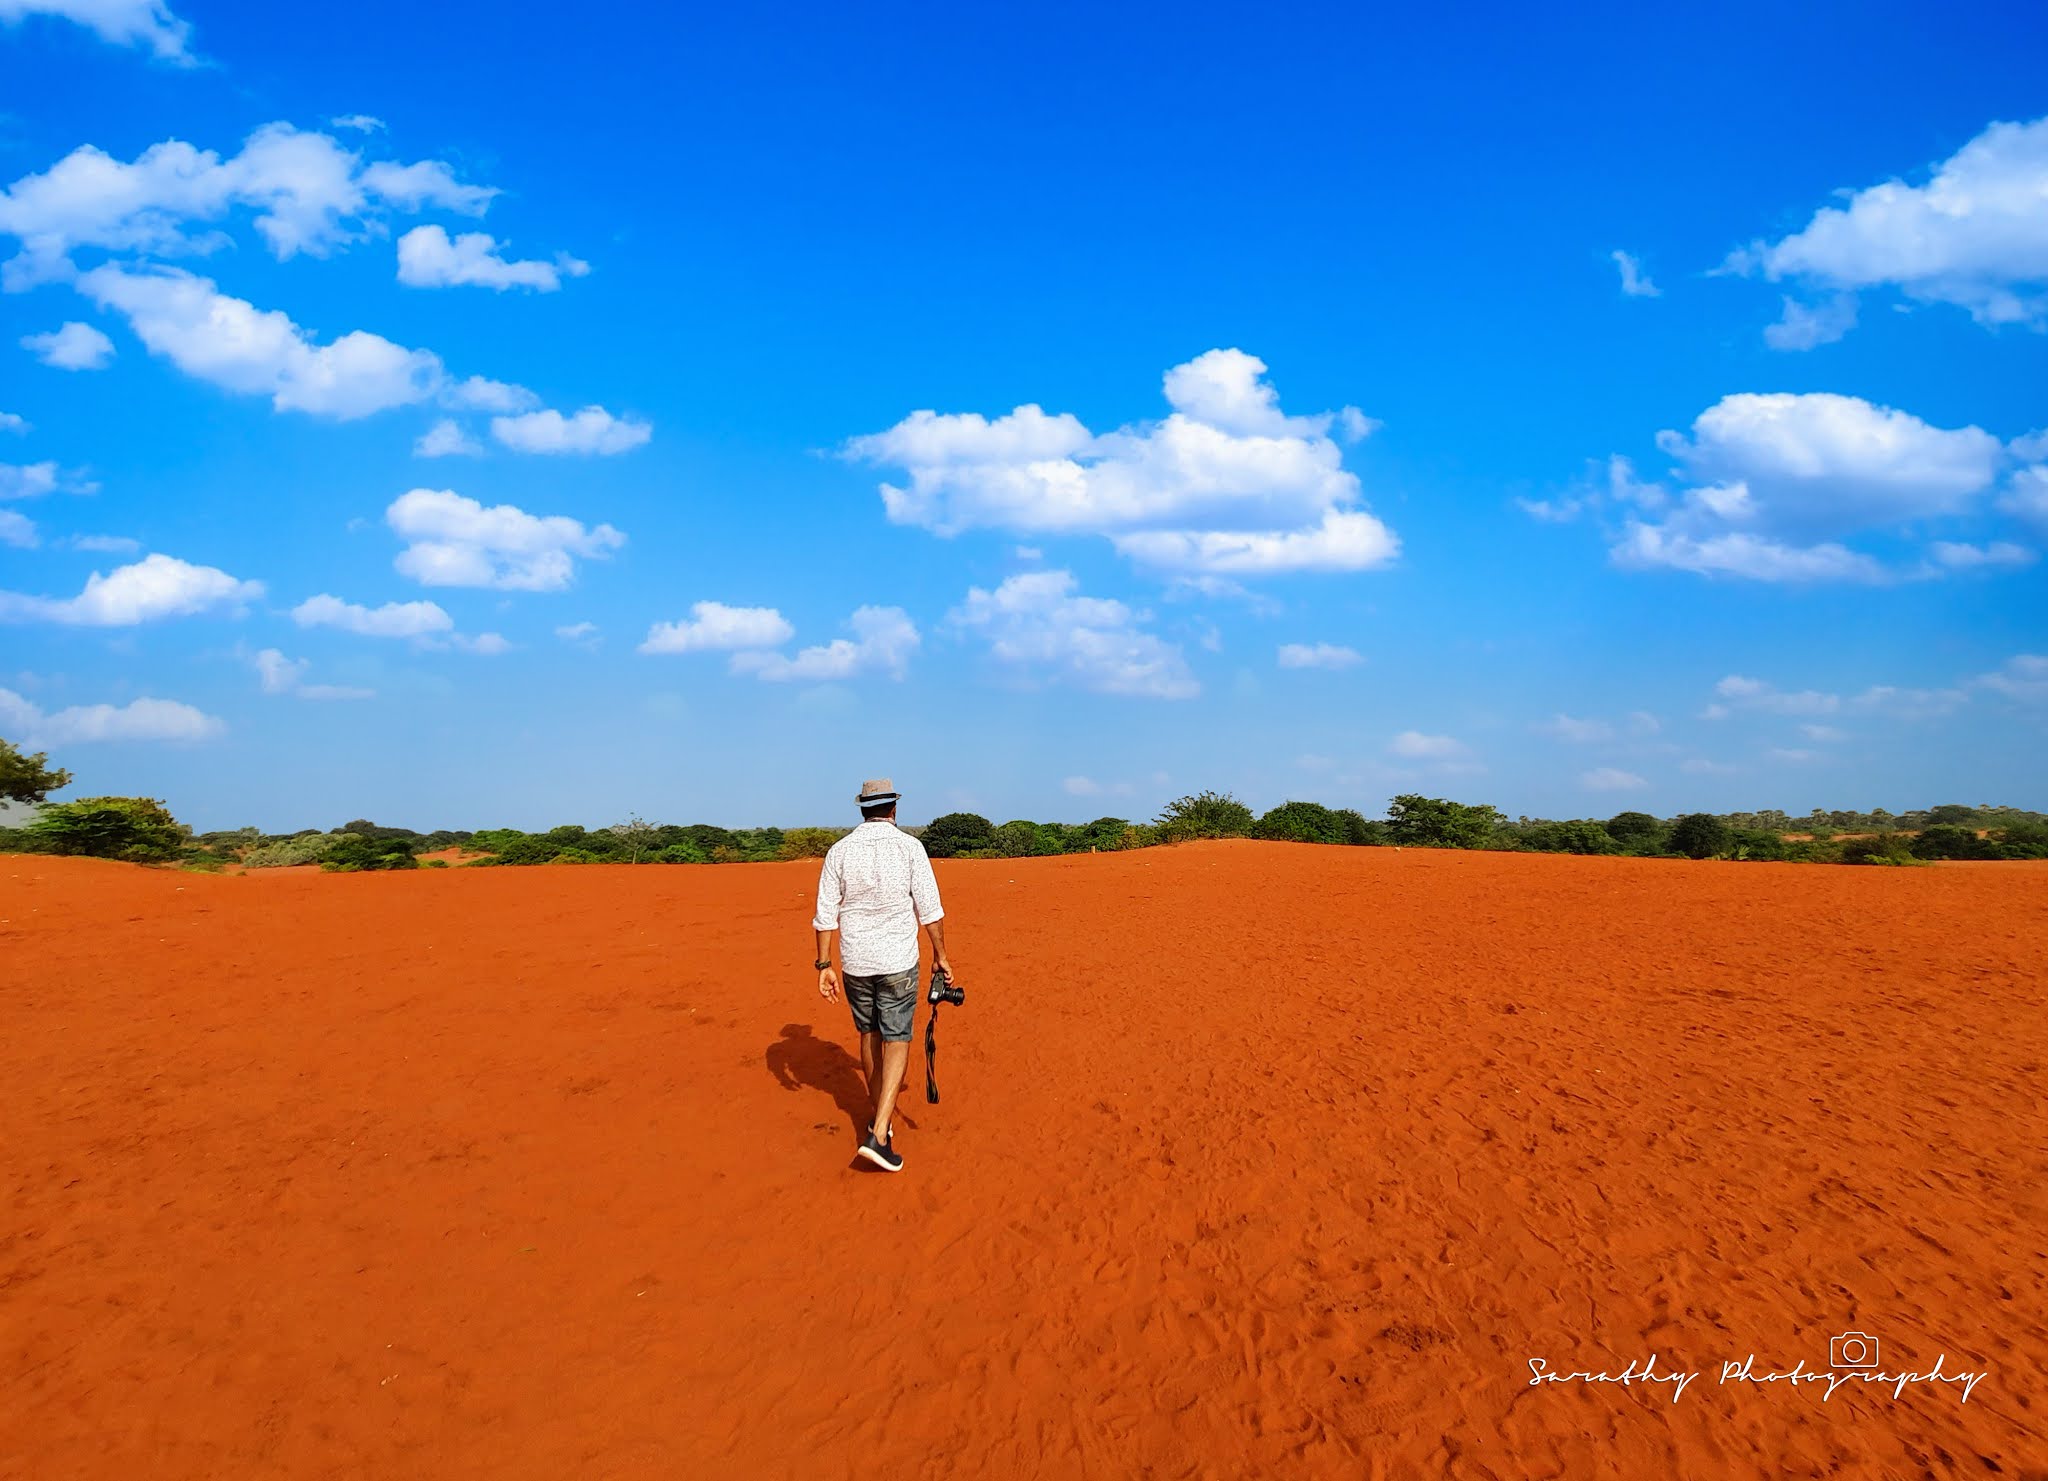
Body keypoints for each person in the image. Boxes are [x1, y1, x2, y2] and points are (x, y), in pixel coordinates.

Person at [812, 778, 955, 1172]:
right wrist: (941, 956)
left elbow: (826, 913)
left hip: (855, 962)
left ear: (862, 809)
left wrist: (824, 966)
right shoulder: (911, 848)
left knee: (869, 1035)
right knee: (897, 1038)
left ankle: (880, 1121)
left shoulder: (839, 851)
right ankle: (878, 1131)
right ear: (894, 809)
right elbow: (930, 909)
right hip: (898, 961)